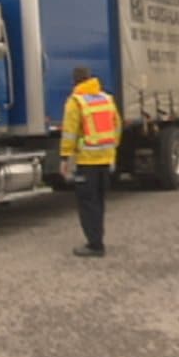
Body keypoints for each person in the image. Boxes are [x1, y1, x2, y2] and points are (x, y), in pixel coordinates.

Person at [59, 66, 122, 257]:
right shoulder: (106, 98)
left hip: (87, 162)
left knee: (88, 203)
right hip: (105, 159)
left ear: (75, 81)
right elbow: (116, 127)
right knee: (99, 203)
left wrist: (64, 158)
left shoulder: (75, 102)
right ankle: (98, 239)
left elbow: (69, 133)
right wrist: (110, 150)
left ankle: (95, 245)